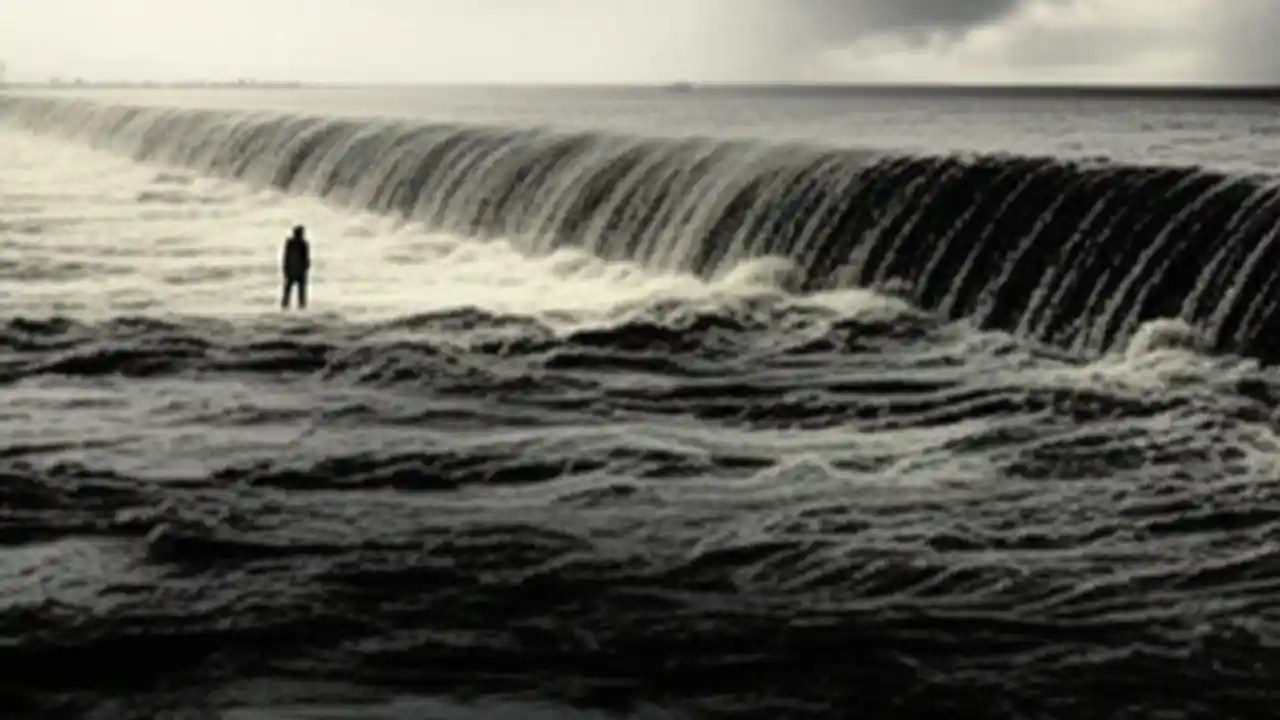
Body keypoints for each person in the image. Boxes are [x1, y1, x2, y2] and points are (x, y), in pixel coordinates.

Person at [281, 225, 311, 309]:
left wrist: (285, 268)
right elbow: (306, 259)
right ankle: (298, 307)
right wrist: (306, 268)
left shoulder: (293, 243)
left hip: (294, 270)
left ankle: (287, 307)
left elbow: (286, 257)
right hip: (297, 271)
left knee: (290, 292)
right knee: (299, 292)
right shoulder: (301, 244)